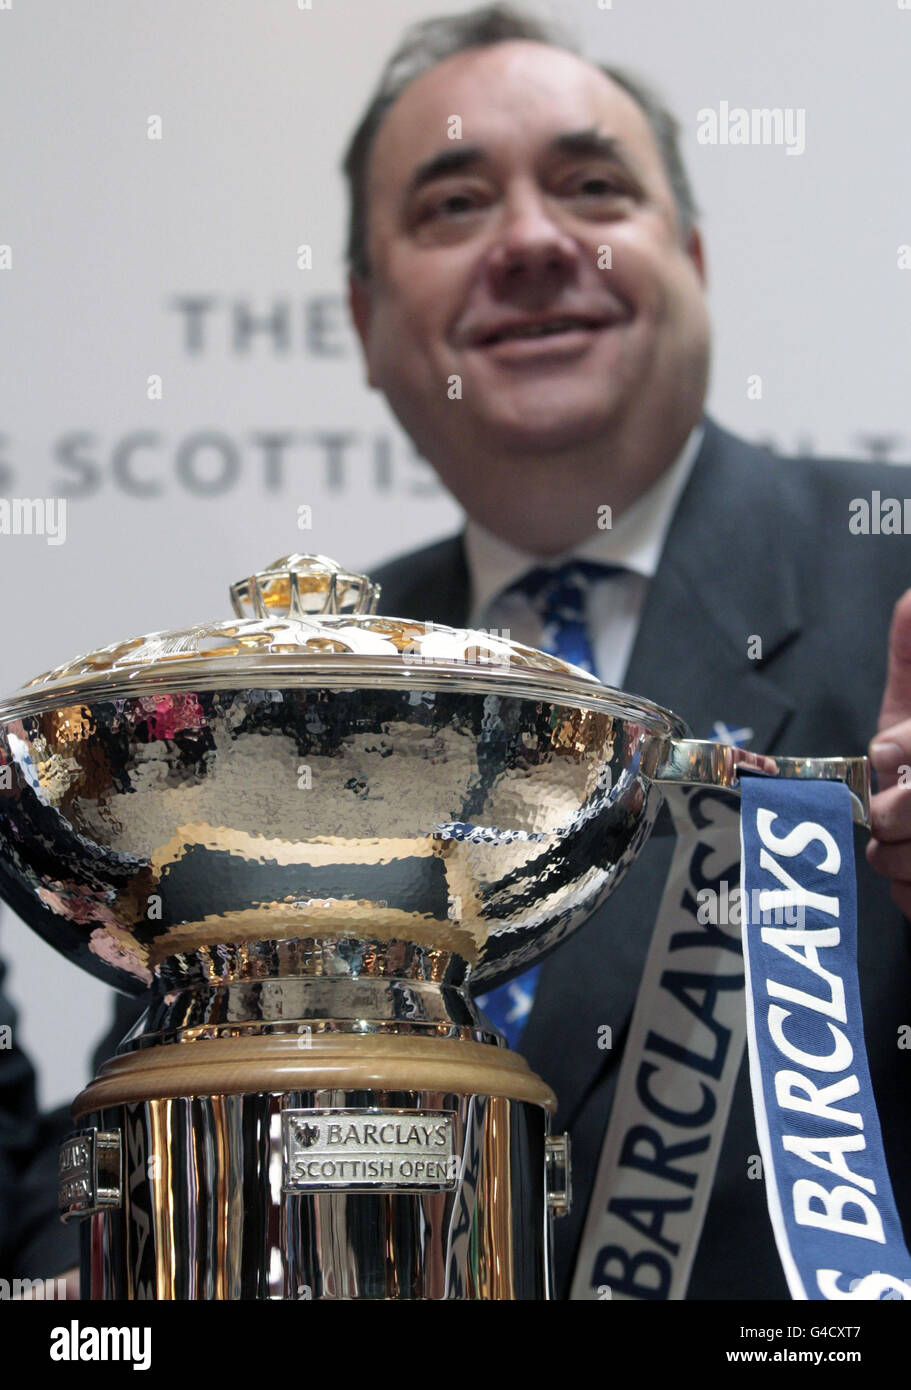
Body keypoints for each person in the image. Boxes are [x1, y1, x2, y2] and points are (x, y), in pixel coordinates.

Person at [5, 3, 911, 1298]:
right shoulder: (296, 690)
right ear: (369, 322)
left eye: (592, 185)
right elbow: (130, 1117)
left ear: (695, 260)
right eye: (452, 206)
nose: (535, 242)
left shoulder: (903, 572)